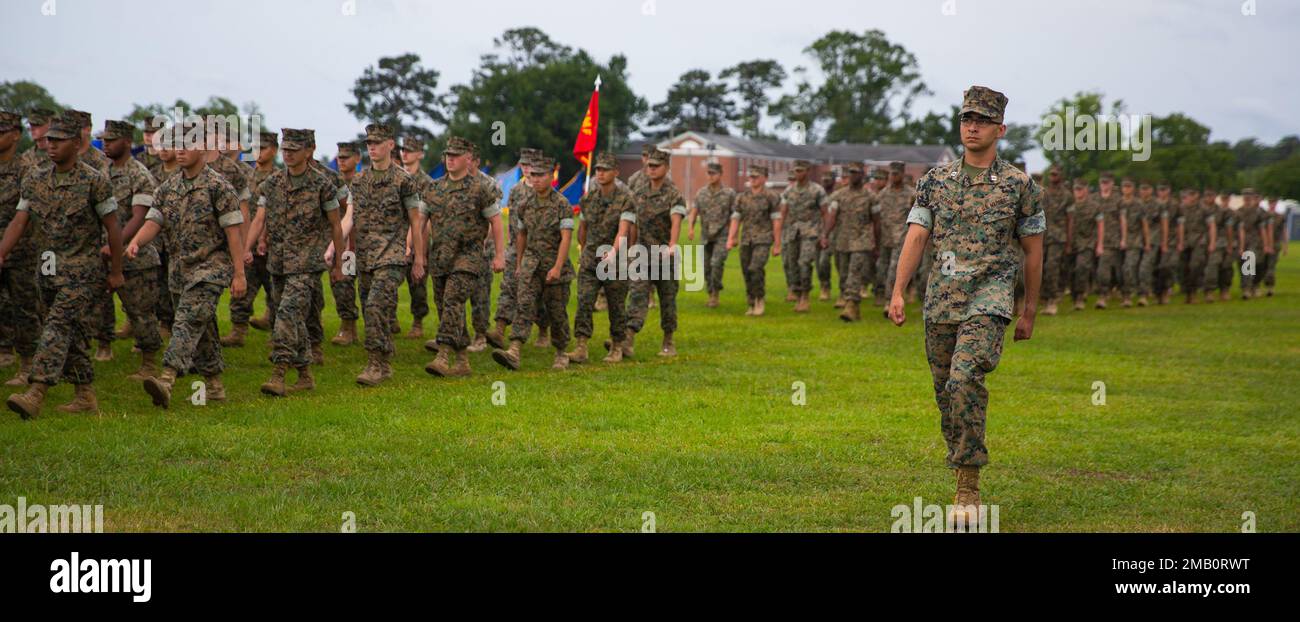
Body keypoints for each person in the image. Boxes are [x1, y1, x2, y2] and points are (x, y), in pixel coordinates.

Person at [887, 86, 1044, 530]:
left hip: (989, 297)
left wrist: (1028, 309)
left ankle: (968, 487)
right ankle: (960, 464)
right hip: (941, 299)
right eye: (966, 119)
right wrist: (898, 290)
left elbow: (1033, 252)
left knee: (964, 376)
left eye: (981, 120)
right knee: (946, 395)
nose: (972, 127)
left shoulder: (1020, 186)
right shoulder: (935, 181)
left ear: (1000, 129)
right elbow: (917, 236)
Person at [0, 111, 124, 418]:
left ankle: (36, 391)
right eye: (48, 140)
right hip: (46, 270)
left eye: (58, 140)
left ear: (76, 142)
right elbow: (19, 220)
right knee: (70, 334)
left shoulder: (95, 181)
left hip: (82, 271)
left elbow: (113, 229)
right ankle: (85, 395)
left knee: (55, 327)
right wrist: (1, 252)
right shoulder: (35, 179)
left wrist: (117, 271)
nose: (50, 145)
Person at [126, 124, 246, 409]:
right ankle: (214, 385)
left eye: (186, 145)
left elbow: (233, 233)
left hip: (211, 267)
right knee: (201, 327)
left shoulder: (219, 187)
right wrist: (136, 242)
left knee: (187, 320)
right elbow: (154, 221)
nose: (179, 150)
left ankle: (167, 378)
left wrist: (239, 273)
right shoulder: (168, 187)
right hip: (181, 270)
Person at [243, 128, 346, 396]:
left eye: (293, 150)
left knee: (287, 314)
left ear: (308, 151)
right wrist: (247, 248)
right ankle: (305, 374)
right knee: (292, 318)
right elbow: (259, 219)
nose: (287, 154)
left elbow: (336, 226)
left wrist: (338, 264)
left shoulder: (322, 185)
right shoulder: (273, 184)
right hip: (278, 262)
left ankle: (279, 373)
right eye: (285, 149)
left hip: (308, 263)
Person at [418, 137, 504, 376]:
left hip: (468, 256)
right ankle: (463, 360)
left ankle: (443, 354)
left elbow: (496, 222)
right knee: (447, 308)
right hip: (440, 257)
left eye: (455, 156)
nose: (450, 159)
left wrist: (499, 255)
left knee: (453, 301)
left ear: (468, 158)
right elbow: (421, 223)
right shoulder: (433, 188)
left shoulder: (480, 188)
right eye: (448, 155)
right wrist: (416, 253)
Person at [350, 124, 424, 386]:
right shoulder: (359, 181)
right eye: (369, 142)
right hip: (366, 256)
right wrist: (335, 247)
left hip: (392, 256)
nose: (372, 146)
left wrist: (418, 258)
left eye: (378, 142)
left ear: (390, 145)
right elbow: (351, 216)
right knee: (374, 309)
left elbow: (416, 221)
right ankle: (384, 357)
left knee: (375, 305)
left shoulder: (404, 180)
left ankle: (374, 364)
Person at [491, 155, 571, 370]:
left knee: (556, 311)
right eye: (533, 175)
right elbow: (521, 235)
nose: (535, 179)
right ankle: (514, 350)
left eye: (540, 175)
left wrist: (557, 267)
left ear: (551, 176)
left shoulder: (562, 204)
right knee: (524, 305)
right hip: (530, 264)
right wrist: (519, 264)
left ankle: (562, 352)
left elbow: (566, 238)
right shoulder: (525, 204)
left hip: (554, 265)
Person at [99, 120, 164, 379]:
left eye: (111, 140)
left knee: (140, 313)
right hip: (104, 253)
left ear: (127, 141)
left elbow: (140, 216)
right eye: (104, 139)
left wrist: (114, 245)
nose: (106, 143)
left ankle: (149, 364)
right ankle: (101, 346)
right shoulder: (102, 173)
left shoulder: (139, 174)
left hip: (136, 257)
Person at [569, 153, 635, 363]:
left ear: (616, 172)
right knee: (584, 302)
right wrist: (584, 248)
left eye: (605, 169)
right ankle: (581, 346)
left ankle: (617, 347)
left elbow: (623, 231)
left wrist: (614, 252)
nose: (600, 173)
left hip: (615, 262)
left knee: (616, 306)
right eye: (598, 169)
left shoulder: (626, 199)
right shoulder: (588, 198)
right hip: (590, 259)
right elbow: (583, 228)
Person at [624, 148, 687, 357]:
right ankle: (628, 339)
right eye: (649, 165)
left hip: (664, 255)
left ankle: (668, 340)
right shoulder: (639, 192)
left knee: (667, 299)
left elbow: (676, 222)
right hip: (642, 252)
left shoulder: (673, 194)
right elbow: (633, 222)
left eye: (656, 166)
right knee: (637, 294)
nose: (650, 169)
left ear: (666, 168)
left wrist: (672, 245)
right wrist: (631, 246)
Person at [223, 130, 281, 347]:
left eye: (263, 148)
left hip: (272, 245)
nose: (258, 152)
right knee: (240, 288)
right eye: (255, 147)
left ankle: (277, 332)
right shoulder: (244, 175)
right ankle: (238, 330)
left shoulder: (278, 178)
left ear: (274, 151)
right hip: (246, 243)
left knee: (276, 291)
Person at [0, 110, 44, 387]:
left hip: (22, 251)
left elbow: (25, 216)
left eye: (2, 132)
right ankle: (4, 350)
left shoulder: (27, 170)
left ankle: (28, 363)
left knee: (25, 307)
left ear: (16, 135)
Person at [726, 165, 782, 317]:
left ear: (764, 178)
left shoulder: (771, 196)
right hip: (746, 239)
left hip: (763, 238)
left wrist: (777, 244)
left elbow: (776, 221)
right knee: (746, 271)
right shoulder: (742, 197)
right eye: (751, 177)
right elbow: (736, 219)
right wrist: (731, 238)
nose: (753, 180)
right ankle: (751, 301)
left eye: (756, 177)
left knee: (755, 268)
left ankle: (759, 299)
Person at [820, 162, 873, 321]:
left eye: (855, 172)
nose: (852, 175)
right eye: (850, 172)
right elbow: (832, 217)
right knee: (843, 274)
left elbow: (876, 222)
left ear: (862, 175)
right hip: (842, 240)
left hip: (861, 240)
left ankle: (850, 304)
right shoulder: (839, 195)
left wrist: (876, 242)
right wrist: (825, 235)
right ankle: (853, 306)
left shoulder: (870, 197)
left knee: (854, 273)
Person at [779, 160, 827, 312]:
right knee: (792, 265)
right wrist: (779, 235)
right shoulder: (788, 191)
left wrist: (824, 234)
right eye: (795, 171)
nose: (797, 173)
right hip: (792, 233)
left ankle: (805, 296)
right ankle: (797, 294)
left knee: (804, 263)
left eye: (800, 170)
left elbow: (825, 213)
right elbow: (783, 213)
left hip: (810, 232)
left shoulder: (817, 190)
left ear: (807, 171)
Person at [686, 160, 735, 308]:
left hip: (722, 235)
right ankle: (710, 293)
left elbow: (735, 216)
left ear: (720, 175)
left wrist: (733, 237)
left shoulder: (729, 193)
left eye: (713, 173)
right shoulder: (701, 193)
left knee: (716, 263)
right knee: (706, 267)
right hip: (706, 236)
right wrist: (691, 228)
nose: (711, 176)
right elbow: (694, 211)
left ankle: (715, 294)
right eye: (709, 173)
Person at [1039, 166, 1072, 314]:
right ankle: (1045, 298)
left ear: (1060, 176)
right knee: (1041, 267)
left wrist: (1069, 241)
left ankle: (1052, 301)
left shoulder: (1067, 195)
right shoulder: (1044, 193)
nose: (1053, 177)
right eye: (1051, 174)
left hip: (1058, 236)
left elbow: (1070, 219)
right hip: (1043, 236)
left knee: (1052, 267)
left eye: (1055, 175)